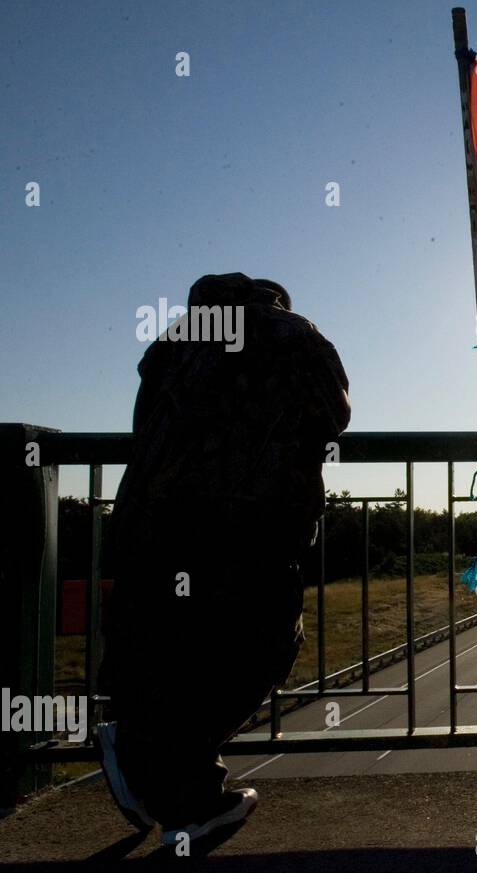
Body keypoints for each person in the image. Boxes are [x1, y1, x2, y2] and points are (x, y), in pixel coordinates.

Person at [97, 273, 350, 844]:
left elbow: (144, 426)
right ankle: (159, 769)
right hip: (245, 525)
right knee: (263, 644)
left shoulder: (171, 344)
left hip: (149, 521)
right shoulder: (295, 334)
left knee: (162, 645)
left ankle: (164, 775)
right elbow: (333, 415)